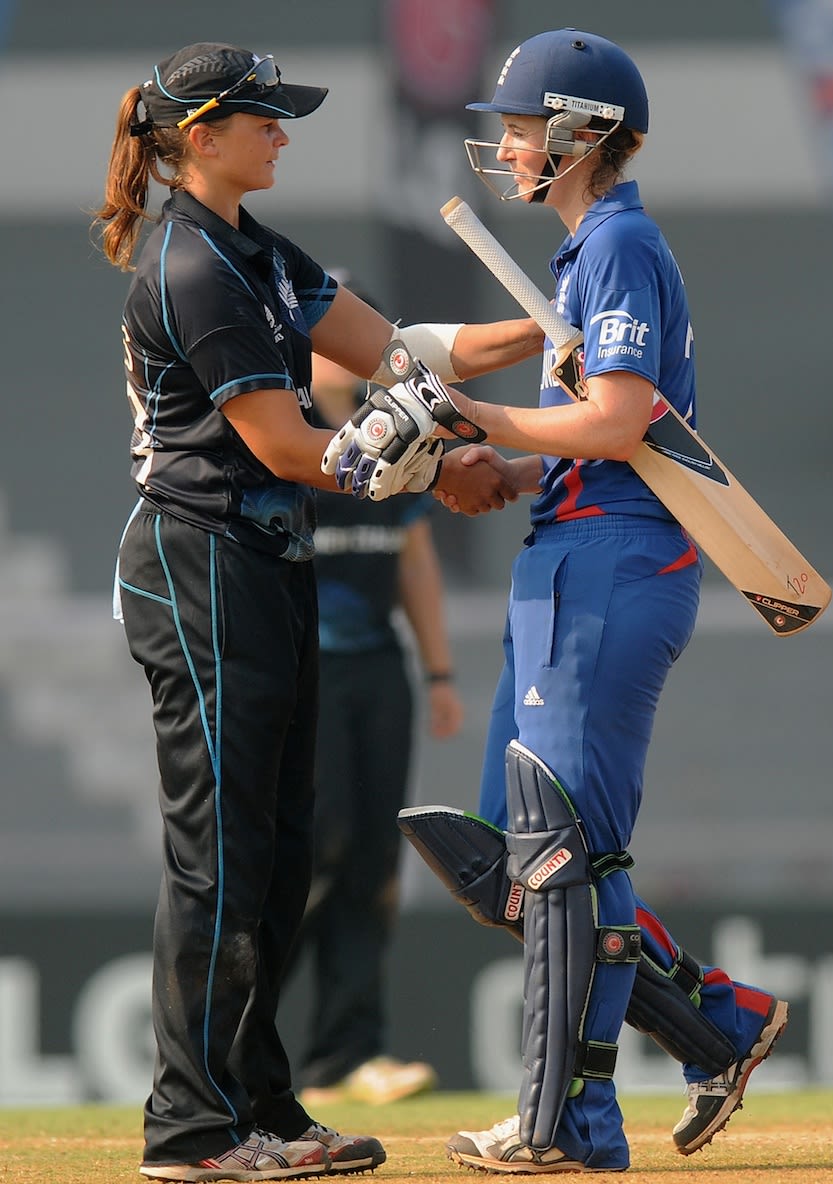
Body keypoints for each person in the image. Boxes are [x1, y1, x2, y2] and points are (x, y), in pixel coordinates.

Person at [326, 28, 789, 1175]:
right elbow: (589, 442)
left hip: (615, 561)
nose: (510, 142)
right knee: (506, 858)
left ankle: (569, 1124)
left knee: (558, 857)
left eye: (525, 124)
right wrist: (478, 461)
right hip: (570, 540)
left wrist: (469, 416)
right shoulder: (587, 254)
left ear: (581, 133)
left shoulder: (621, 242)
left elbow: (623, 419)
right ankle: (717, 1023)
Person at [92, 40, 542, 1183]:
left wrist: (561, 316)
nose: (283, 133)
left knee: (281, 852)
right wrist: (443, 464)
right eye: (265, 118)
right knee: (222, 855)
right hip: (198, 566)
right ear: (201, 136)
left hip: (258, 561)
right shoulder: (190, 262)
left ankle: (263, 1105)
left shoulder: (251, 249)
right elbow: (288, 444)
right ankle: (193, 1130)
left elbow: (400, 349)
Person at [289, 290, 463, 1106]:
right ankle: (242, 1051)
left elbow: (414, 561)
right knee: (311, 857)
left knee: (370, 861)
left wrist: (437, 673)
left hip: (376, 672)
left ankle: (346, 1056)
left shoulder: (392, 441)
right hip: (305, 671)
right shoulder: (282, 439)